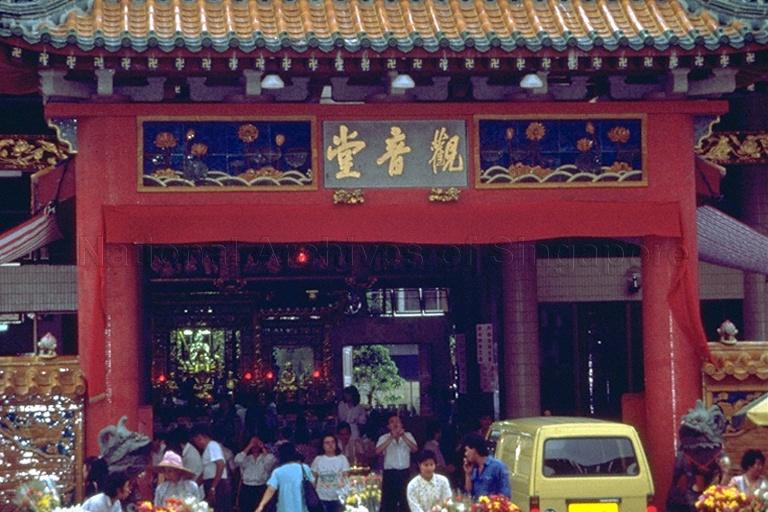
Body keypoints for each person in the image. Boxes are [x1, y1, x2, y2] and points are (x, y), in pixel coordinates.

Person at [254, 442, 315, 512]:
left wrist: (261, 505)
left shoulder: (278, 471)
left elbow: (270, 490)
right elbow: (313, 485)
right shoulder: (304, 468)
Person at [376, 413, 418, 512]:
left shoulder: (408, 435)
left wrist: (403, 436)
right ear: (388, 426)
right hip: (390, 474)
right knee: (389, 504)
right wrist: (391, 437)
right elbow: (377, 451)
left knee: (406, 502)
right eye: (392, 422)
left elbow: (415, 449)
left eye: (397, 421)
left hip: (404, 473)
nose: (395, 424)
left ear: (402, 424)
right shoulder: (384, 437)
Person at [190, 425, 232, 512]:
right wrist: (193, 485)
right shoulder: (206, 450)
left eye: (196, 441)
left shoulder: (212, 445)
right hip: (210, 482)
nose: (197, 445)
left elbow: (220, 464)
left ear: (200, 438)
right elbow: (206, 472)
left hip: (218, 484)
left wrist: (213, 487)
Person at [235, 435, 278, 512]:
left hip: (261, 487)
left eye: (257, 443)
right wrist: (249, 445)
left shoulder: (265, 457)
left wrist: (262, 447)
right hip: (247, 487)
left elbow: (271, 461)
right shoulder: (246, 458)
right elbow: (237, 461)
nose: (255, 446)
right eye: (253, 443)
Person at [462, 433, 511, 500]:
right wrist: (468, 474)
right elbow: (469, 493)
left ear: (474, 449)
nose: (465, 454)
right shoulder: (474, 468)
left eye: (466, 450)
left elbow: (506, 495)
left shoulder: (498, 467)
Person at [311, 434, 351, 512]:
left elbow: (346, 478)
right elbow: (313, 479)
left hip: (338, 497)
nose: (330, 445)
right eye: (327, 443)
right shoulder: (318, 459)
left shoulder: (342, 459)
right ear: (322, 445)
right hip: (321, 497)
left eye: (333, 442)